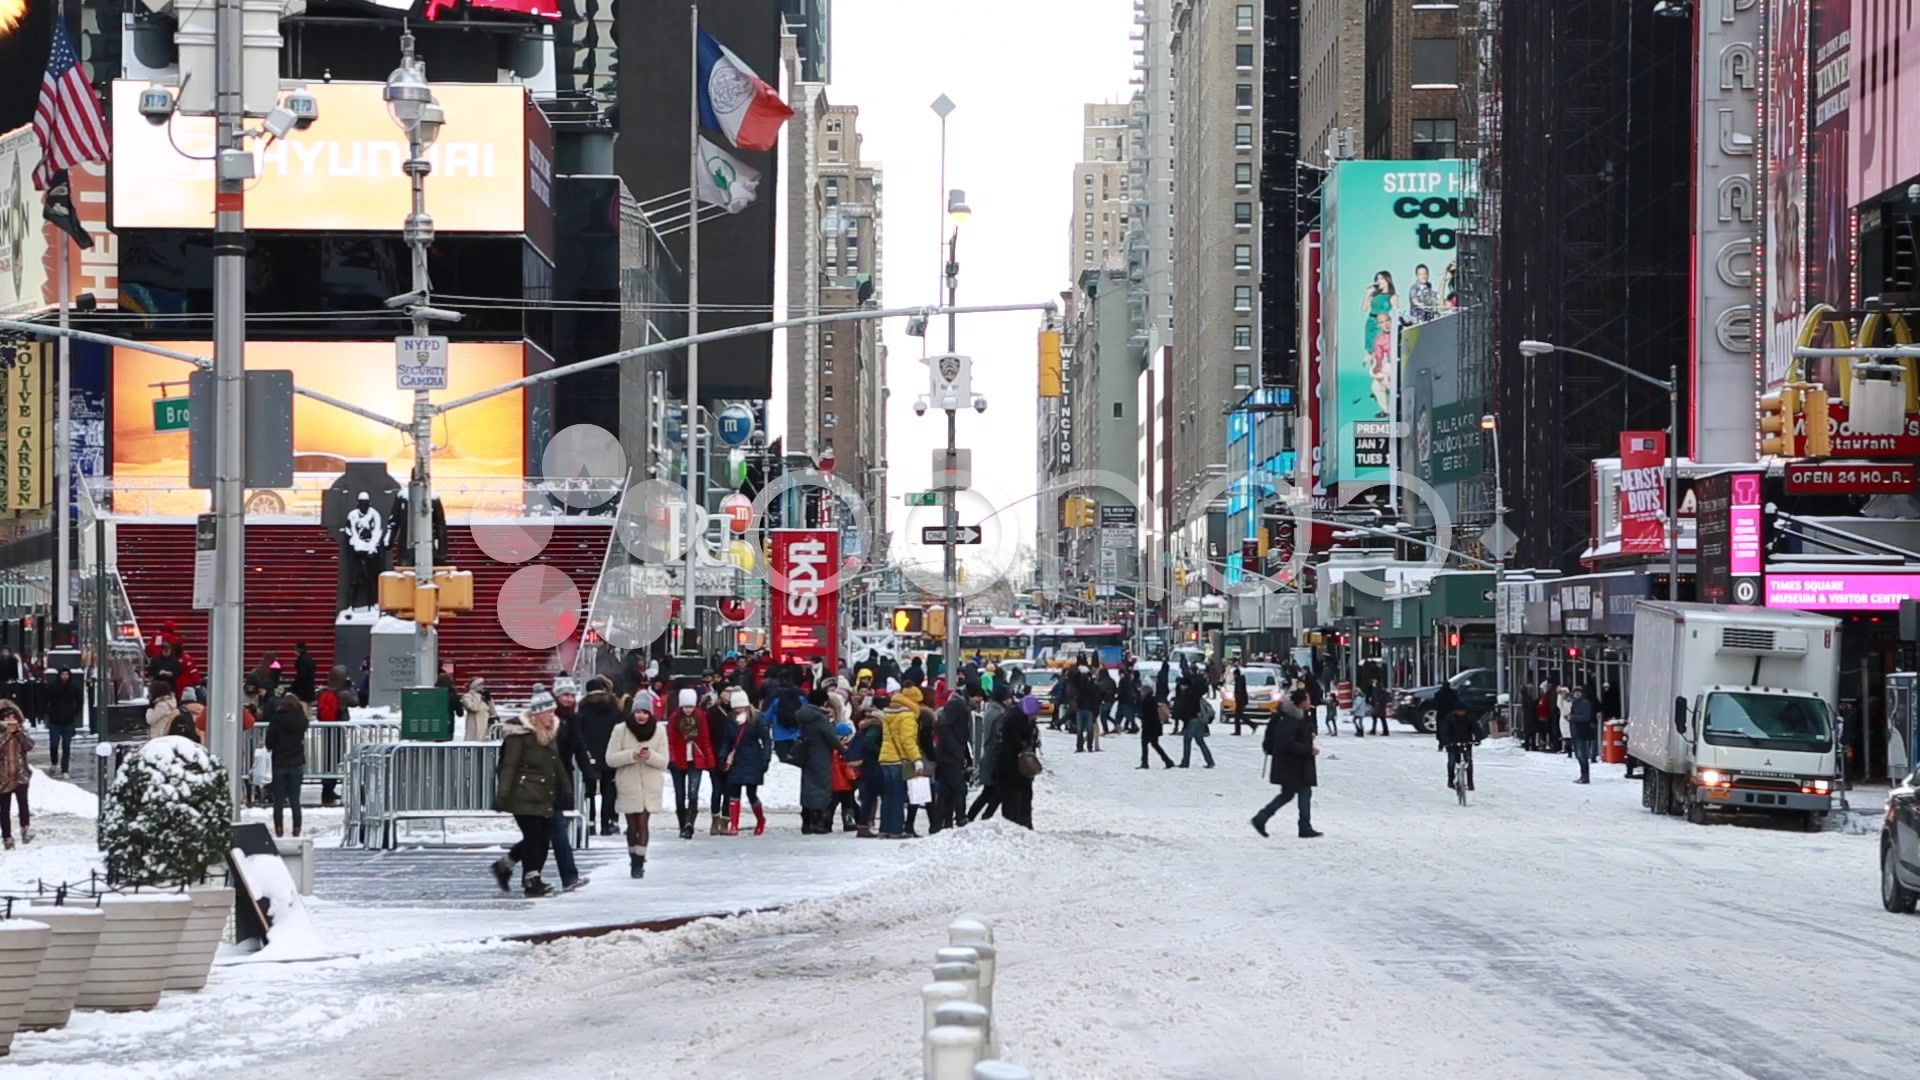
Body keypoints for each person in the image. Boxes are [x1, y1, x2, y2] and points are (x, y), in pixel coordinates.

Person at [489, 695, 571, 898]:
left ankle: (505, 866)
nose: (553, 716)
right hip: (522, 794)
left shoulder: (548, 733)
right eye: (549, 712)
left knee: (539, 838)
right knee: (536, 837)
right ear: (537, 714)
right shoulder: (519, 736)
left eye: (553, 711)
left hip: (542, 795)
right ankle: (531, 880)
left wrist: (567, 790)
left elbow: (557, 766)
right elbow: (509, 766)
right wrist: (502, 795)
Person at [606, 696, 669, 878]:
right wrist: (631, 755)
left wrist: (649, 756)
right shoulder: (621, 730)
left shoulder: (659, 730)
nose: (641, 716)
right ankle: (633, 857)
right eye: (638, 712)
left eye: (645, 712)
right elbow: (610, 758)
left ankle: (639, 864)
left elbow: (664, 761)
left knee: (643, 823)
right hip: (628, 783)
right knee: (632, 825)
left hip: (650, 785)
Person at [1252, 690, 1322, 839]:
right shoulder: (1290, 720)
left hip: (1293, 765)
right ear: (1300, 703)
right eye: (1308, 699)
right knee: (1303, 792)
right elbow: (1287, 744)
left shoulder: (1297, 717)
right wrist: (1308, 750)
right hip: (1292, 766)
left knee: (1288, 794)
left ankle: (1262, 818)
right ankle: (1304, 826)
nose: (1310, 703)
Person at [575, 676, 625, 836]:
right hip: (610, 755)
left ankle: (590, 823)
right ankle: (607, 824)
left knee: (589, 791)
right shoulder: (614, 708)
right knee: (609, 791)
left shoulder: (583, 709)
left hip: (588, 755)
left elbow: (578, 733)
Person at [667, 687, 715, 840]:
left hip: (696, 759)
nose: (688, 710)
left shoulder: (701, 717)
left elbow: (705, 740)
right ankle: (682, 824)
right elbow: (671, 741)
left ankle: (690, 825)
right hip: (678, 761)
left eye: (691, 707)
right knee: (680, 796)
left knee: (693, 794)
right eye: (686, 707)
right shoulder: (674, 718)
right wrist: (672, 759)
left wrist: (710, 761)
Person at [878, 684, 924, 839]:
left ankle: (884, 829)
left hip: (885, 758)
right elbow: (907, 740)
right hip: (899, 760)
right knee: (898, 796)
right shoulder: (907, 716)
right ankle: (896, 830)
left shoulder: (889, 713)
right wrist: (916, 758)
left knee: (888, 796)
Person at [725, 689, 772, 835]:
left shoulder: (757, 718)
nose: (738, 710)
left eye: (740, 707)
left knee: (752, 793)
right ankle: (734, 825)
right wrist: (723, 755)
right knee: (734, 792)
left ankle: (760, 820)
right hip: (737, 758)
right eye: (735, 707)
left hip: (753, 758)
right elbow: (727, 740)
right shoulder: (730, 719)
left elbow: (766, 740)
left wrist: (765, 758)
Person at [932, 681, 978, 832]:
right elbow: (943, 726)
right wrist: (956, 750)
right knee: (959, 789)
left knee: (946, 792)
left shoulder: (961, 705)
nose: (980, 701)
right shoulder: (956, 705)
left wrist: (966, 756)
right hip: (948, 756)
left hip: (948, 756)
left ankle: (940, 825)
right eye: (978, 697)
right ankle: (960, 820)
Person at [263, 693, 309, 838]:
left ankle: (279, 828)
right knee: (295, 799)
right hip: (297, 761)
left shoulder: (276, 719)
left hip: (279, 762)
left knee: (279, 799)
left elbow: (269, 742)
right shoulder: (302, 720)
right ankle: (296, 828)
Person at [795, 691, 840, 834]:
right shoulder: (820, 718)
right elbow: (831, 737)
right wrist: (844, 750)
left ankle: (806, 821)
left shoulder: (802, 714)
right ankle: (817, 822)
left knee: (808, 786)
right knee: (821, 787)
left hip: (806, 754)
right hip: (821, 755)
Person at [995, 694, 1041, 829]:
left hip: (1018, 766)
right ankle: (1016, 822)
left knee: (1020, 794)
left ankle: (1021, 821)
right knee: (1014, 795)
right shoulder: (1016, 720)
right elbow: (1014, 740)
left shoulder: (1018, 717)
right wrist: (1025, 744)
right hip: (1013, 765)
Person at [968, 686, 1012, 821]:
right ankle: (980, 817)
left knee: (990, 792)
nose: (1010, 700)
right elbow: (998, 737)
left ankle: (973, 817)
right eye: (1008, 698)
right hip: (993, 759)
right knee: (993, 792)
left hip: (990, 757)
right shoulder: (999, 714)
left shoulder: (992, 710)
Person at [706, 687, 740, 836]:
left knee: (728, 790)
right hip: (714, 755)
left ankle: (725, 821)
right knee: (717, 789)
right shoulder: (713, 712)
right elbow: (707, 735)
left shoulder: (737, 713)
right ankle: (715, 820)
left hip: (732, 756)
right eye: (726, 692)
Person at [0, 702, 33, 849]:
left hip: (21, 775)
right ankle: (7, 837)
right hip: (3, 777)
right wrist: (7, 734)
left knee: (23, 804)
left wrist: (19, 734)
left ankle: (25, 829)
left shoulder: (21, 732)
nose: (10, 720)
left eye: (13, 716)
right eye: (7, 717)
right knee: (4, 808)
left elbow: (30, 745)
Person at [1436, 690, 1480, 792]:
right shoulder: (1450, 718)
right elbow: (1444, 731)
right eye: (1458, 711)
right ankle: (1450, 779)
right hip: (1452, 743)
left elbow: (1476, 728)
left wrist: (1478, 738)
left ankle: (1470, 782)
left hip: (1466, 742)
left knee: (1468, 762)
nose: (1460, 713)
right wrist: (1445, 741)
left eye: (1462, 711)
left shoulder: (1469, 718)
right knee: (1452, 762)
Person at [44, 668, 82, 778]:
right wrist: (50, 712)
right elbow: (45, 701)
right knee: (54, 744)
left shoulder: (74, 687)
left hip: (68, 722)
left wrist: (74, 713)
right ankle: (54, 762)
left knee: (66, 746)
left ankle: (65, 769)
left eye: (66, 674)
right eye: (62, 674)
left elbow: (79, 701)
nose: (64, 676)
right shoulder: (53, 687)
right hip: (55, 721)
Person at [1174, 674, 1215, 768]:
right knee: (1200, 741)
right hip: (1199, 719)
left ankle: (1185, 762)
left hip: (1192, 720)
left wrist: (1182, 717)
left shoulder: (1187, 695)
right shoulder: (1195, 693)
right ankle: (1210, 761)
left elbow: (1187, 709)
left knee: (1187, 740)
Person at [1569, 684, 1599, 784]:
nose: (1577, 694)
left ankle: (1585, 776)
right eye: (1575, 693)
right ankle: (1583, 774)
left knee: (1582, 754)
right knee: (1578, 754)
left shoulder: (1585, 703)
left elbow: (1586, 717)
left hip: (1582, 731)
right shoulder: (1574, 703)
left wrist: (1572, 717)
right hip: (1575, 731)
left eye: (1578, 693)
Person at [1139, 691, 1176, 769]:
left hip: (1149, 726)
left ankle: (1145, 763)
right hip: (1154, 726)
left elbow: (1147, 714)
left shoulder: (1147, 701)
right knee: (1154, 744)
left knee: (1145, 743)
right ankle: (1168, 761)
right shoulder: (1152, 700)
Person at [1230, 664, 1249, 736]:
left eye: (1234, 675)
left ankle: (1237, 731)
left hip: (1240, 701)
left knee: (1237, 716)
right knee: (1240, 715)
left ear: (1236, 675)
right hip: (1241, 700)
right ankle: (1252, 725)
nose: (1233, 676)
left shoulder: (1239, 681)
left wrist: (1238, 699)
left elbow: (1240, 691)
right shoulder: (1239, 680)